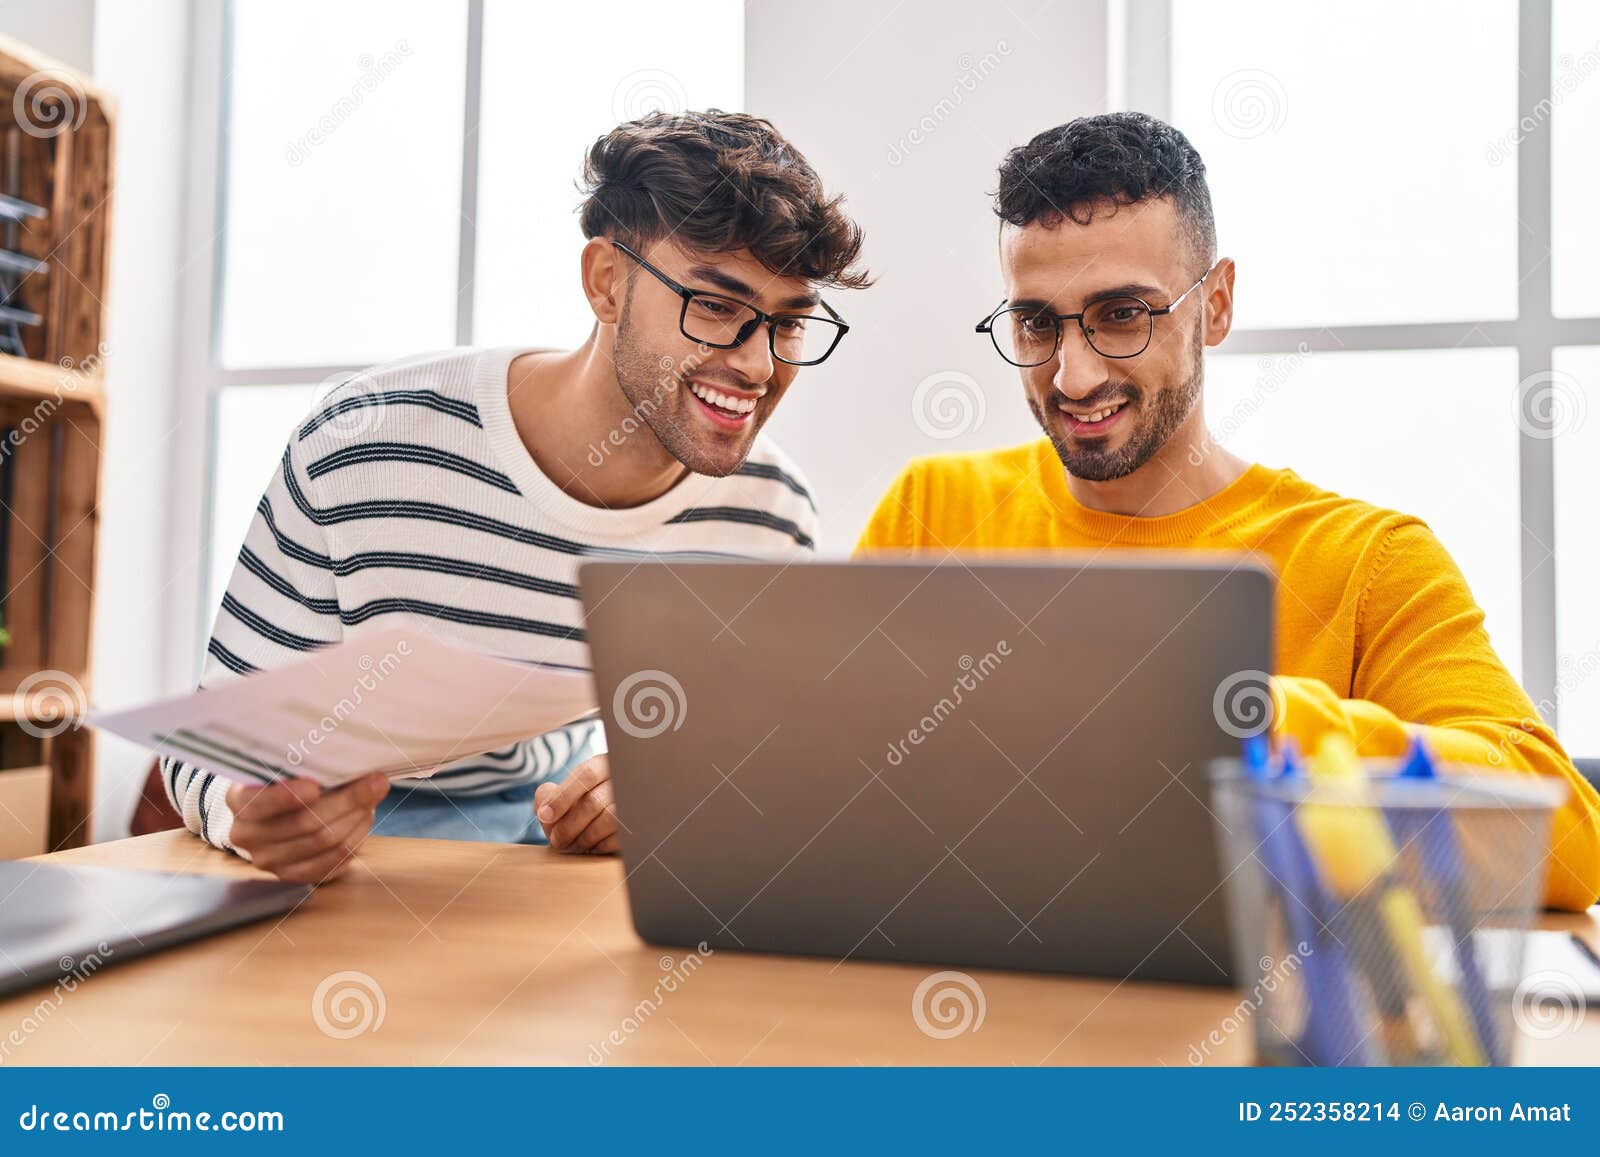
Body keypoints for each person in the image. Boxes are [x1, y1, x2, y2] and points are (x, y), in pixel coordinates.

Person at [856, 111, 1600, 911]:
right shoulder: (931, 511)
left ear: (1215, 304)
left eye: (1122, 314)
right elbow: (829, 785)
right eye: (1036, 323)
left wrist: (1251, 722)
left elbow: (1566, 840)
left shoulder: (1367, 559)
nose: (1071, 376)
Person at [165, 110, 868, 884]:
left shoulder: (768, 514)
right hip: (349, 861)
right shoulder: (363, 445)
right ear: (606, 282)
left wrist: (673, 793)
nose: (758, 365)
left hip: (551, 863)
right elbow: (210, 749)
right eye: (716, 307)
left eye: (789, 324)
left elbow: (755, 765)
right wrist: (251, 811)